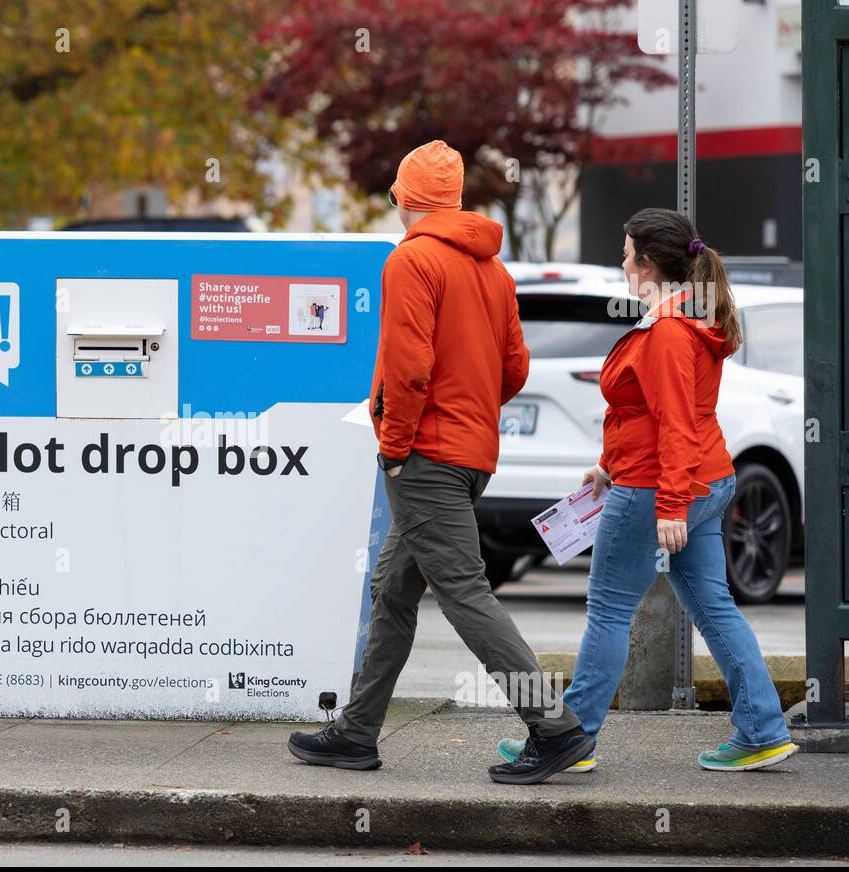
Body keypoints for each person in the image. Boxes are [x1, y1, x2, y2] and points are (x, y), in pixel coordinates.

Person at [287, 140, 595, 785]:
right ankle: (356, 733)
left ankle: (554, 726)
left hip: (424, 455)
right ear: (454, 200)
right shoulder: (493, 270)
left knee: (462, 592)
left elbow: (407, 367)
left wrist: (395, 446)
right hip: (471, 452)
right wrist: (468, 407)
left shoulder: (412, 261)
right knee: (393, 590)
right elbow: (514, 369)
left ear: (404, 198)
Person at [496, 208, 798, 772]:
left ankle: (572, 738)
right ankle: (763, 730)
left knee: (609, 610)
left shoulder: (665, 332)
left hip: (660, 487)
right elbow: (649, 416)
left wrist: (670, 505)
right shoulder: (688, 319)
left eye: (628, 251)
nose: (621, 260)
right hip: (706, 478)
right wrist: (608, 464)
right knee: (714, 607)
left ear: (651, 264)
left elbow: (676, 421)